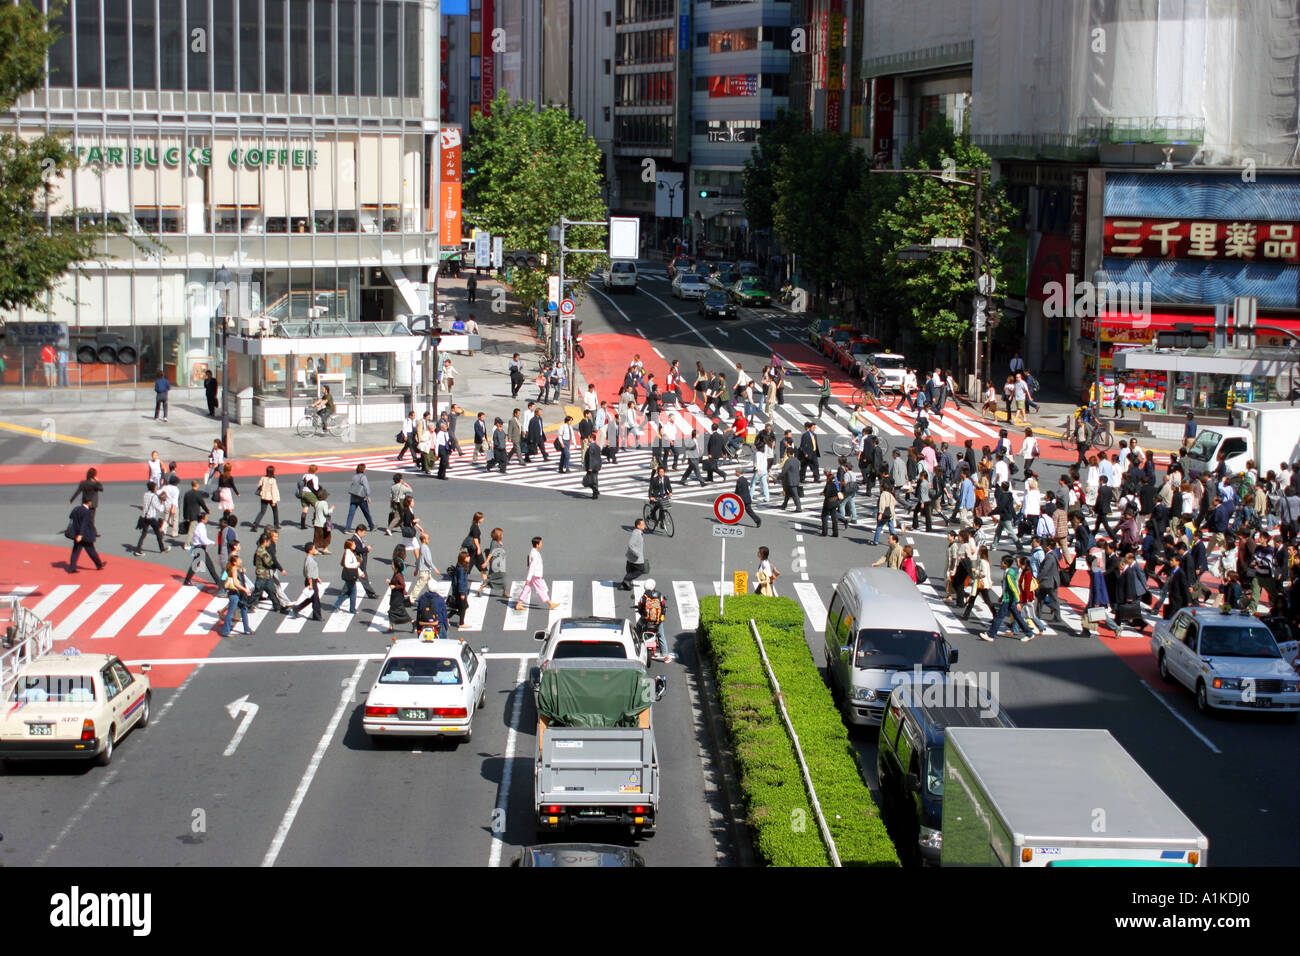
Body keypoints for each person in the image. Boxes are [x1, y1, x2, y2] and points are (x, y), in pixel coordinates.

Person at [515, 536, 560, 610]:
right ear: (537, 544)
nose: (542, 544)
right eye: (541, 542)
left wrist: (529, 578)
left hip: (534, 575)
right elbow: (532, 566)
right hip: (535, 575)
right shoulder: (534, 554)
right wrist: (528, 578)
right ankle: (550, 604)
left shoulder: (534, 552)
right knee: (541, 589)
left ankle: (518, 604)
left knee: (527, 588)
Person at [636, 580, 674, 663]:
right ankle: (665, 656)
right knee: (661, 636)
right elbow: (663, 606)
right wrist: (662, 615)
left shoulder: (644, 597)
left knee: (638, 627)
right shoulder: (659, 595)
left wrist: (643, 615)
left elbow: (640, 609)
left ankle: (636, 645)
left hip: (646, 620)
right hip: (657, 621)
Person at [67, 496, 105, 572]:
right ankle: (99, 564)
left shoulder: (77, 509)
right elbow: (84, 524)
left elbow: (70, 516)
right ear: (88, 502)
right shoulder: (86, 512)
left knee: (75, 552)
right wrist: (81, 535)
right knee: (91, 551)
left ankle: (72, 567)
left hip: (76, 534)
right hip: (84, 535)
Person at [219, 556, 255, 637]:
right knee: (230, 613)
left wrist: (241, 573)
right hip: (235, 593)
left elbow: (224, 577)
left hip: (234, 593)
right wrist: (245, 589)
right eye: (239, 560)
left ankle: (247, 629)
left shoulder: (230, 568)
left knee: (244, 608)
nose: (241, 560)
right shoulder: (234, 570)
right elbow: (235, 583)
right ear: (234, 562)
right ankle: (225, 632)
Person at [290, 543, 324, 621]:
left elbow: (312, 571)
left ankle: (296, 608)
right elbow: (309, 574)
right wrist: (311, 584)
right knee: (316, 600)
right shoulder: (309, 560)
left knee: (312, 598)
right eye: (314, 549)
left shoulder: (310, 558)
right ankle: (317, 617)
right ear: (310, 550)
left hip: (313, 580)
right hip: (311, 581)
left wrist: (317, 578)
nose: (316, 550)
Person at [134, 481, 170, 554]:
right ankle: (162, 549)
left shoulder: (145, 494)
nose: (156, 488)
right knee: (158, 533)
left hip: (144, 517)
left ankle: (138, 549)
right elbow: (159, 509)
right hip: (151, 518)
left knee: (143, 534)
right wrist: (162, 502)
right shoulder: (154, 497)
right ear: (153, 488)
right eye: (156, 487)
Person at [384, 553, 412, 633]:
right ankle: (412, 622)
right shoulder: (396, 574)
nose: (391, 565)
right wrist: (390, 582)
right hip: (395, 595)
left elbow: (403, 585)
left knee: (393, 611)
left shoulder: (398, 575)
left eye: (392, 564)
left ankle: (391, 628)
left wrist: (394, 587)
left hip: (398, 596)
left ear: (396, 566)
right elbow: (395, 583)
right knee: (397, 610)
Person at [343, 463, 374, 531]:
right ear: (363, 469)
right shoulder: (363, 477)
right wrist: (368, 497)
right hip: (361, 498)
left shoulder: (354, 476)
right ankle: (372, 526)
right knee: (366, 513)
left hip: (353, 497)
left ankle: (347, 528)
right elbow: (366, 487)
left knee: (351, 513)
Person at [409, 531, 436, 602]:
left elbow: (418, 560)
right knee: (419, 585)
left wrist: (416, 570)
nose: (429, 540)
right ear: (424, 540)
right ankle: (412, 599)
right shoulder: (424, 548)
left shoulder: (423, 547)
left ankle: (435, 596)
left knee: (431, 583)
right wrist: (435, 568)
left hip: (426, 570)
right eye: (428, 538)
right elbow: (428, 560)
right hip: (425, 571)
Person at [252, 466, 281, 530]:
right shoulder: (273, 480)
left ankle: (255, 523)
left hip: (263, 497)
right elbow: (273, 491)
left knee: (262, 512)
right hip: (270, 498)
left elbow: (259, 485)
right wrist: (274, 501)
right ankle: (276, 525)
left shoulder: (263, 478)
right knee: (275, 511)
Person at [483, 527, 507, 597]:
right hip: (496, 563)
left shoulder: (496, 541)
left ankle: (480, 589)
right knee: (502, 577)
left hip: (498, 562)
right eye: (501, 534)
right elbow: (491, 553)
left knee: (491, 578)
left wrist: (500, 543)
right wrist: (486, 562)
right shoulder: (494, 543)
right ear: (498, 535)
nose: (502, 535)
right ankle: (505, 592)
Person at [312, 488, 334, 553]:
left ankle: (315, 549)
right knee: (326, 536)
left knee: (317, 537)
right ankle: (325, 548)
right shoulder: (324, 503)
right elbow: (326, 512)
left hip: (317, 523)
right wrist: (331, 509)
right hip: (323, 523)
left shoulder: (316, 502)